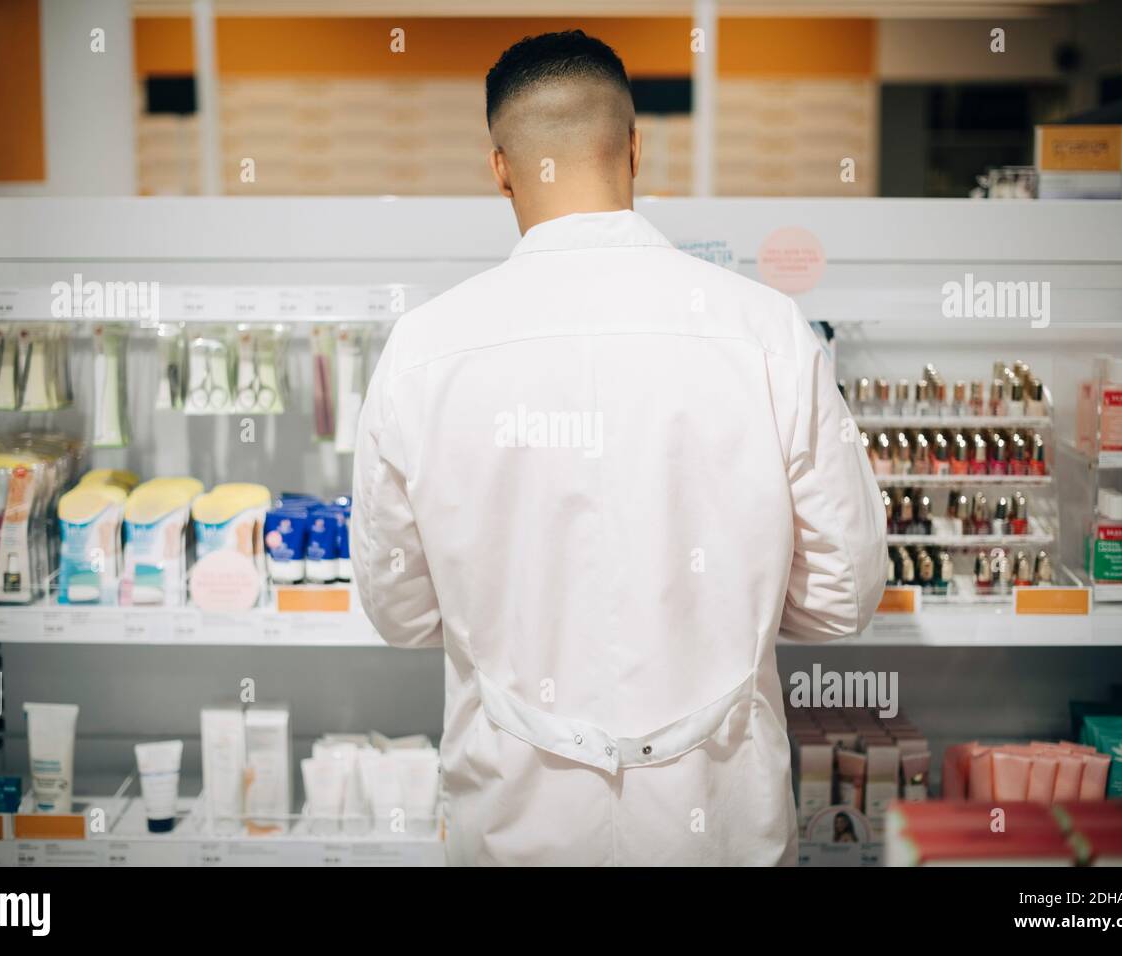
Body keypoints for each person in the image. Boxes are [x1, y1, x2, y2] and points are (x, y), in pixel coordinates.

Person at [351, 29, 886, 866]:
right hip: (716, 822)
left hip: (514, 821)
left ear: (499, 168)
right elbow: (843, 598)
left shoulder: (423, 350)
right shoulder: (766, 330)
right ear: (636, 148)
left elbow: (401, 612)